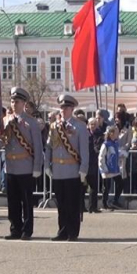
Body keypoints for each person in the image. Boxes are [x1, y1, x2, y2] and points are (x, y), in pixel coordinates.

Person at [46, 94, 89, 241]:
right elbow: (49, 147)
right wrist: (47, 165)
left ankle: (72, 231)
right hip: (58, 170)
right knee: (61, 204)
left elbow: (84, 150)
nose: (63, 110)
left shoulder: (80, 126)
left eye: (66, 108)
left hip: (72, 170)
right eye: (62, 107)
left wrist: (83, 169)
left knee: (72, 203)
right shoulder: (54, 126)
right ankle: (62, 230)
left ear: (72, 109)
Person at [2, 87, 43, 240]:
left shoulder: (30, 122)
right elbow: (2, 142)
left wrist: (37, 166)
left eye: (17, 101)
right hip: (10, 167)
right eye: (12, 101)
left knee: (26, 202)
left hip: (26, 166)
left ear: (24, 103)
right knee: (12, 201)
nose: (14, 104)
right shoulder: (6, 121)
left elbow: (37, 146)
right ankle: (15, 229)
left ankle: (27, 230)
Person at [100, 125, 123, 210]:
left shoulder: (115, 143)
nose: (118, 134)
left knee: (120, 183)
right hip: (107, 168)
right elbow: (101, 157)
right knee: (106, 187)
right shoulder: (106, 144)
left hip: (114, 168)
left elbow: (116, 153)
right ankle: (104, 203)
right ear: (111, 134)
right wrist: (103, 168)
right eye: (116, 132)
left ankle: (115, 200)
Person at [86, 117, 103, 213]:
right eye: (91, 124)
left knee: (94, 186)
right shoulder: (85, 134)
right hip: (85, 162)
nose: (93, 126)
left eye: (94, 124)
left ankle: (93, 207)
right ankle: (81, 207)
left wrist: (96, 149)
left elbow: (99, 146)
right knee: (83, 187)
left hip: (93, 162)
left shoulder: (99, 135)